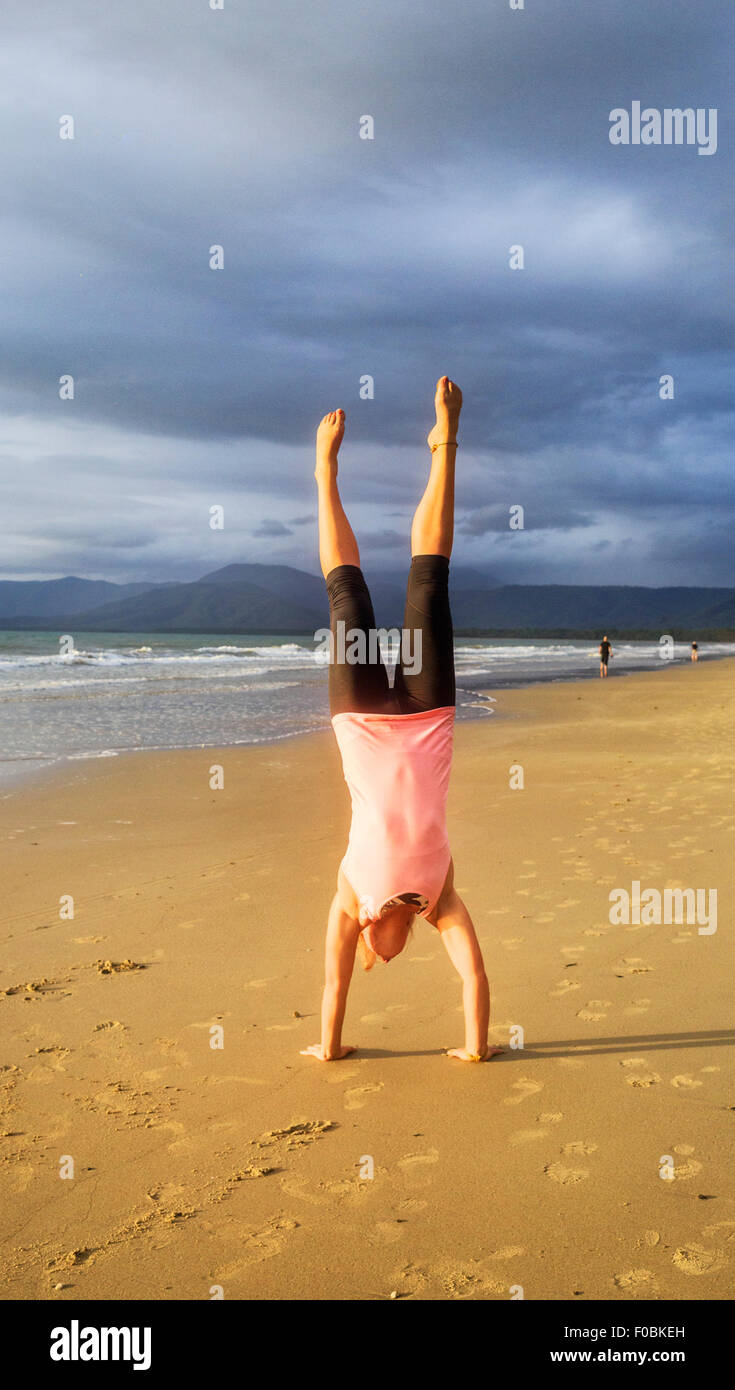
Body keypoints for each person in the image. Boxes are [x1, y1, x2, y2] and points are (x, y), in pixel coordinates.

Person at [301, 378, 502, 1065]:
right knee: (429, 578)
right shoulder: (440, 898)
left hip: (358, 714)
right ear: (405, 937)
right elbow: (473, 974)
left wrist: (328, 1048)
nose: (375, 948)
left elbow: (333, 982)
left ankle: (324, 473)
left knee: (345, 594)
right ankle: (445, 441)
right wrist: (474, 1049)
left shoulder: (349, 897)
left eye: (367, 952)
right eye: (384, 952)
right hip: (426, 707)